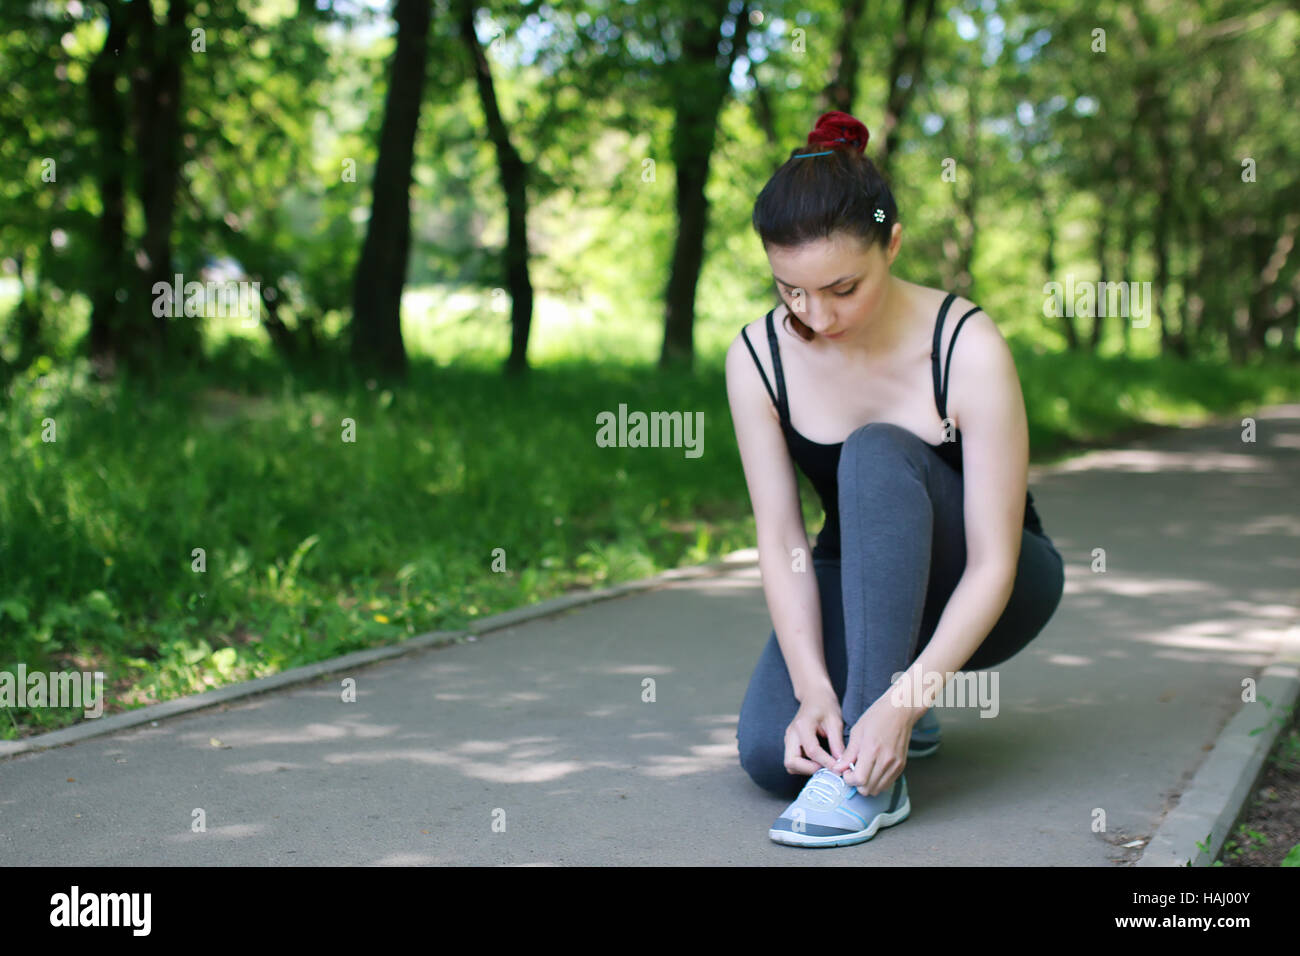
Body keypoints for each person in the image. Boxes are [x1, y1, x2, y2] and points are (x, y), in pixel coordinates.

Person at [724, 111, 1066, 848]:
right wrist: (815, 688)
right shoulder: (757, 357)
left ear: (894, 243)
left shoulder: (964, 344)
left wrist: (901, 703)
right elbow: (783, 538)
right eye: (792, 291)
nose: (816, 315)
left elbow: (996, 562)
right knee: (768, 754)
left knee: (875, 450)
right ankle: (871, 691)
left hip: (995, 584)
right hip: (864, 575)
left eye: (842, 287)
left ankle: (877, 770)